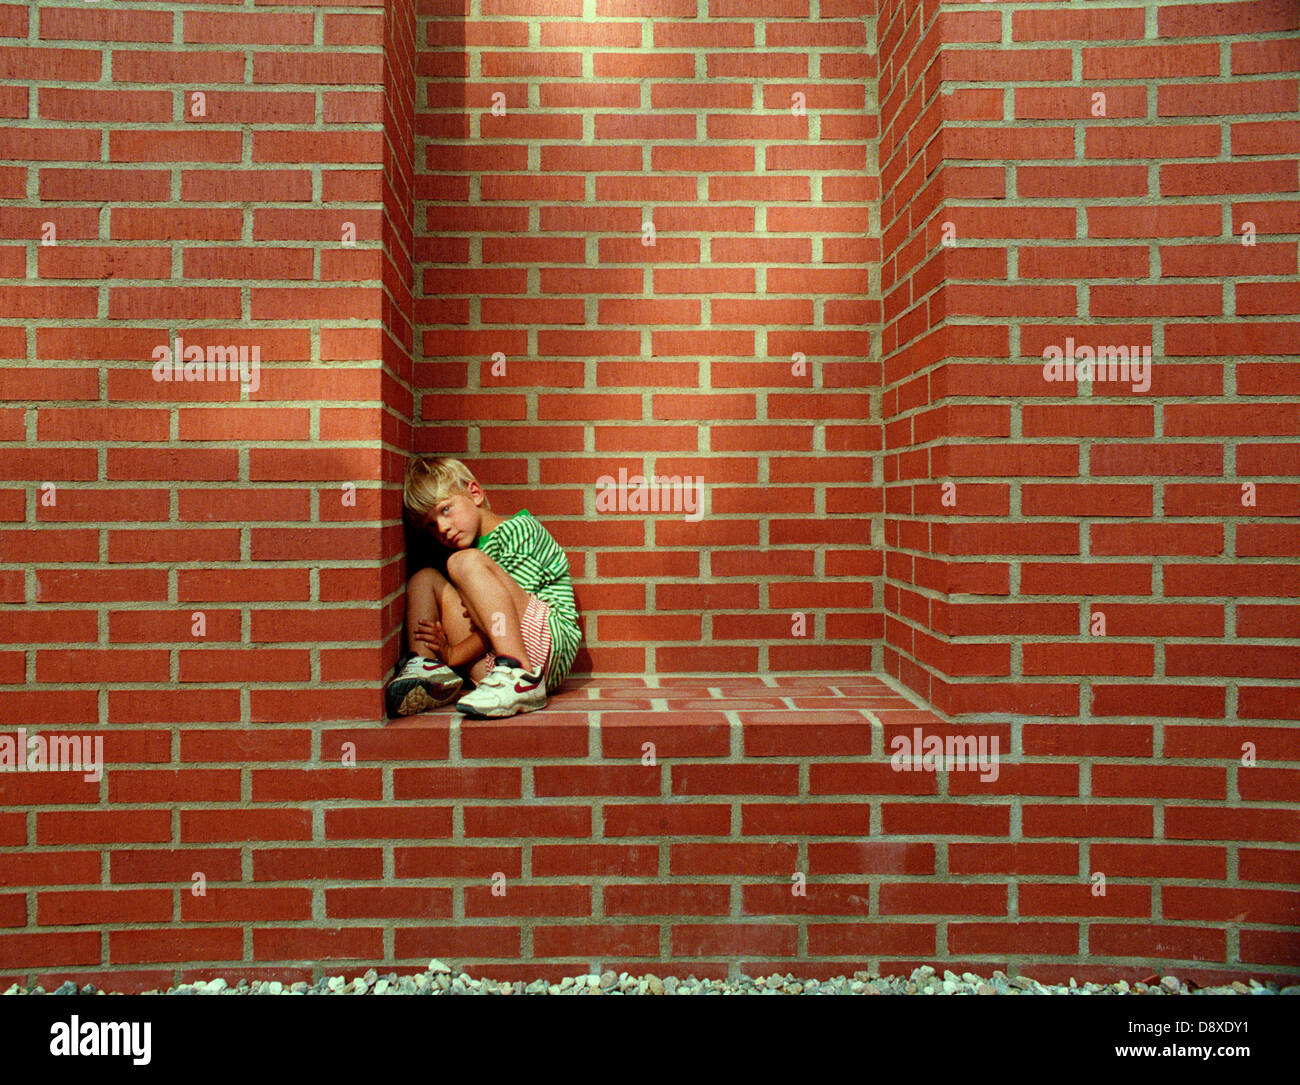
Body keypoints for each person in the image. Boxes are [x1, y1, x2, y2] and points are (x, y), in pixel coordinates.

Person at [384, 456, 582, 719]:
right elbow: (490, 627)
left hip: (547, 650)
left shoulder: (519, 530)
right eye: (430, 525)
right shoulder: (470, 557)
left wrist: (454, 654)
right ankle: (427, 671)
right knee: (424, 579)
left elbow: (505, 619)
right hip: (495, 668)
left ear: (474, 493)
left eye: (445, 510)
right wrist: (446, 652)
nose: (442, 528)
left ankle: (520, 672)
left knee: (462, 562)